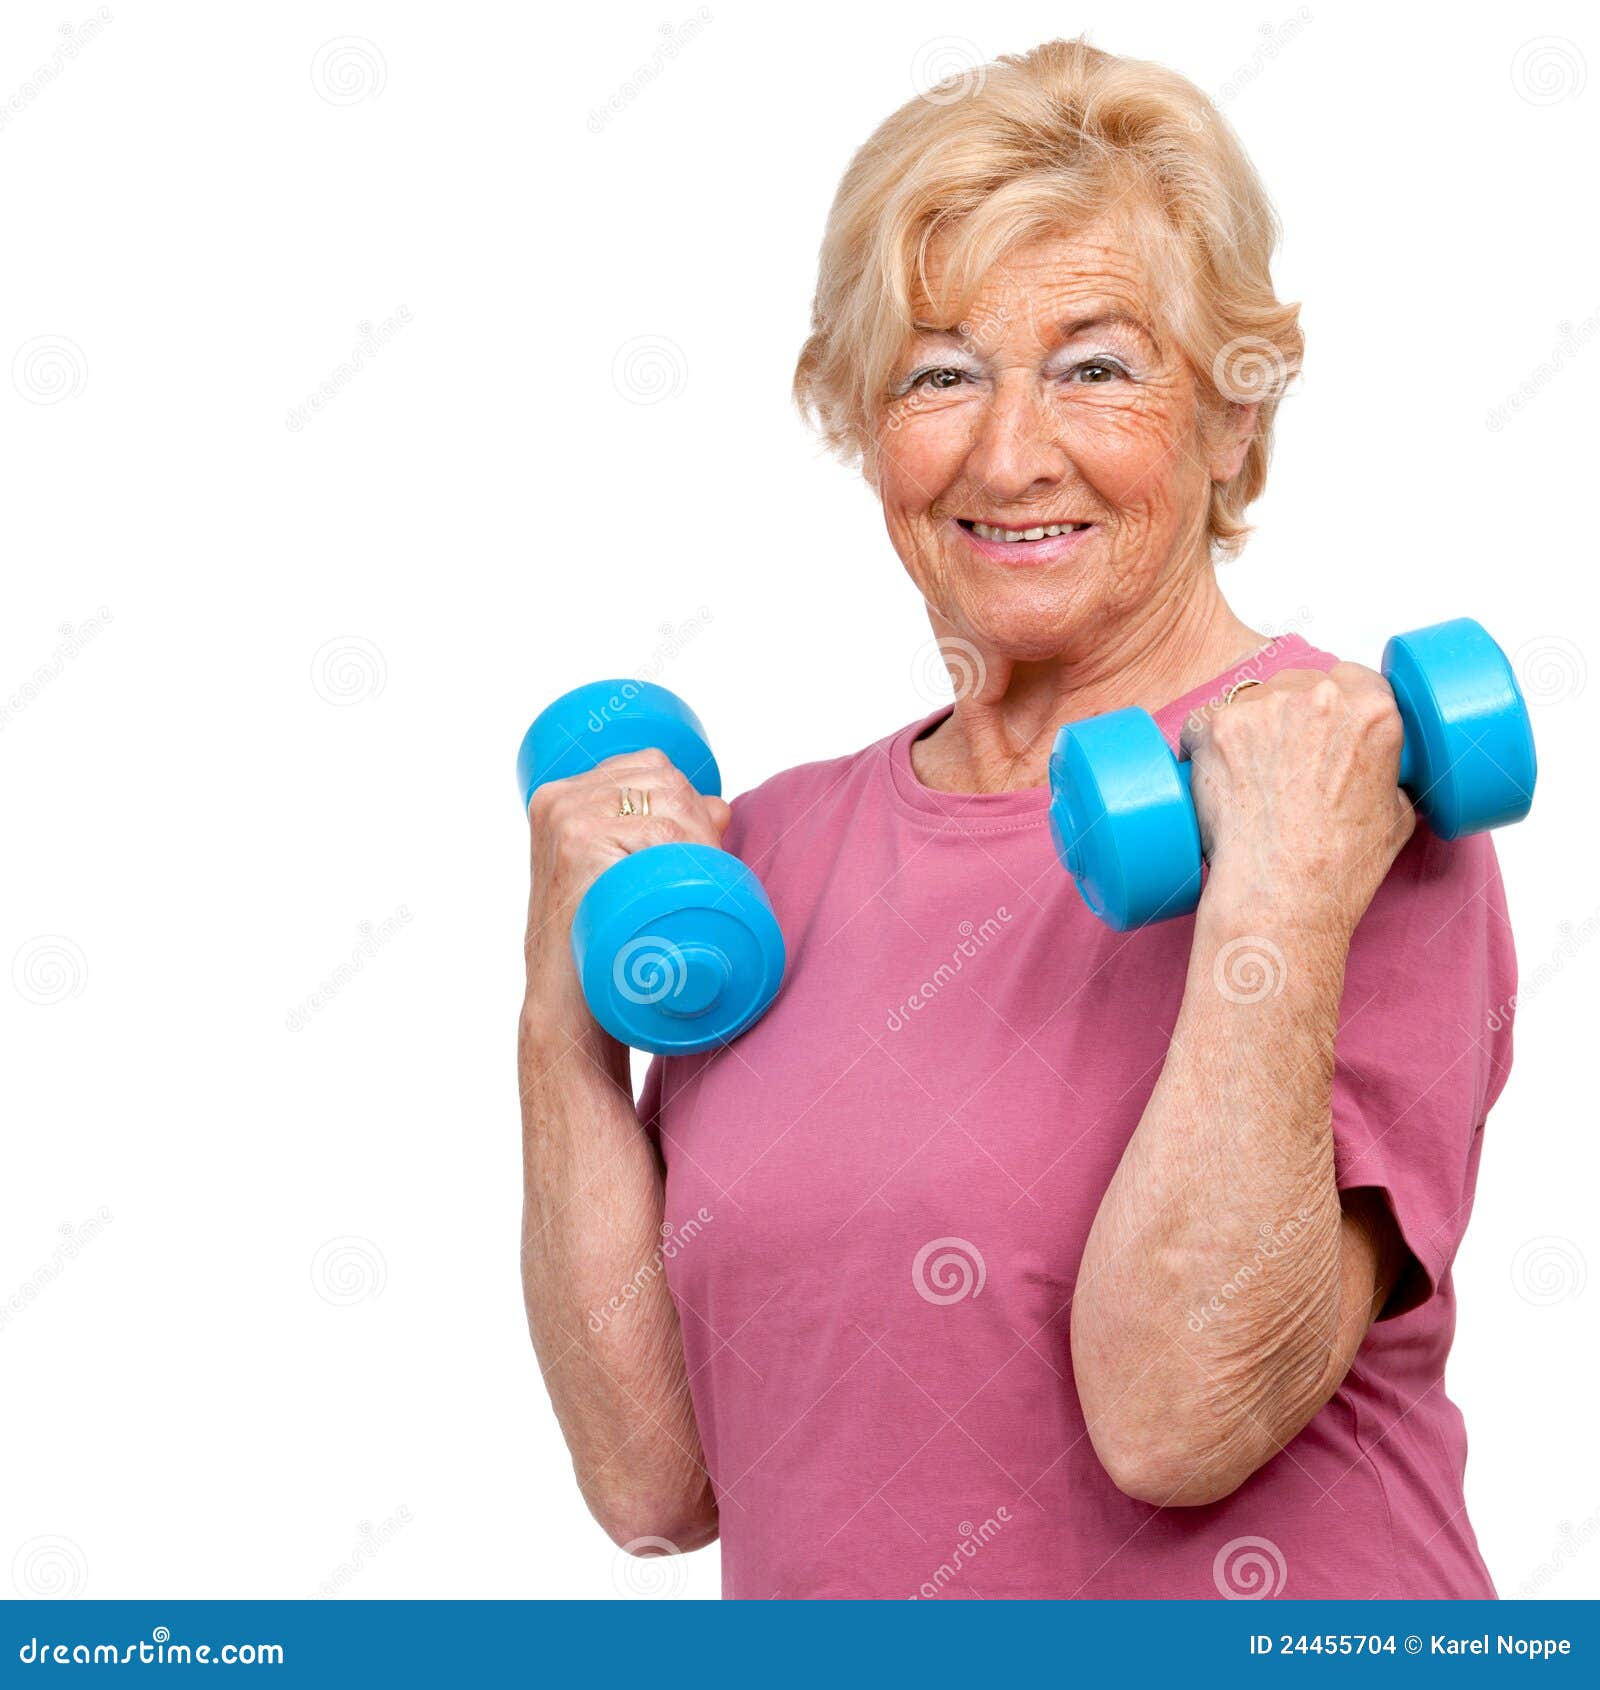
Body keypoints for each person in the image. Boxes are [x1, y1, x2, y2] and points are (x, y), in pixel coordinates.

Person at [518, 38, 1515, 1599]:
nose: (1008, 450)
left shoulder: (1347, 797)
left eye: (1097, 368)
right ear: (866, 426)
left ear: (1231, 419)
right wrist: (560, 1009)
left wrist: (1276, 896)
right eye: (940, 373)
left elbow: (1180, 1417)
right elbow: (653, 1483)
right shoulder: (760, 864)